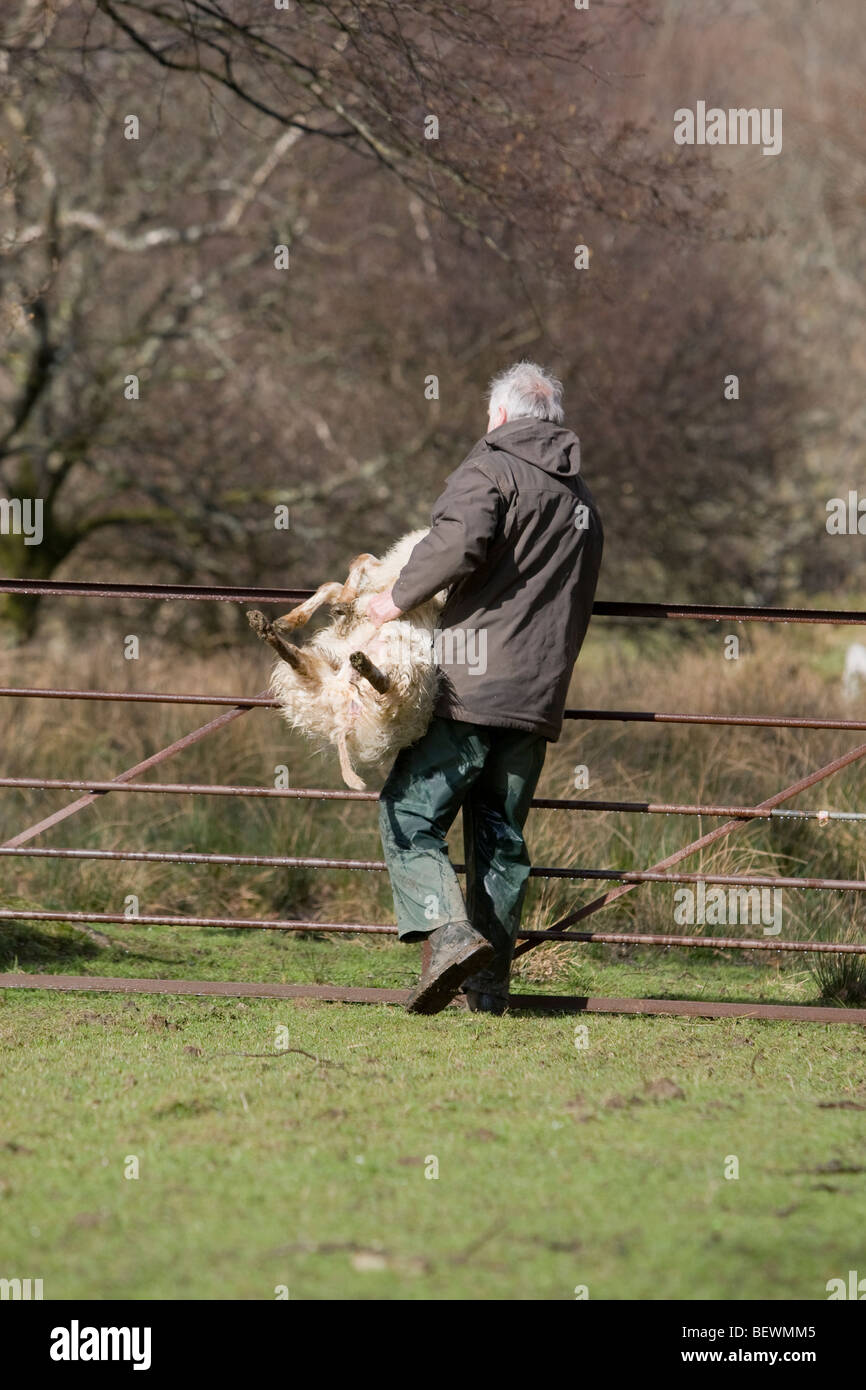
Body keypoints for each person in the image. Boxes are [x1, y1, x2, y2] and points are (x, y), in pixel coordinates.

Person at [367, 361, 604, 1015]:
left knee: (407, 817)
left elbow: (459, 540)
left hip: (471, 688)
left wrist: (393, 599)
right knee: (501, 840)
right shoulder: (582, 501)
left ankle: (447, 938)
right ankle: (488, 992)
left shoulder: (492, 466)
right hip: (537, 700)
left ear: (499, 415)